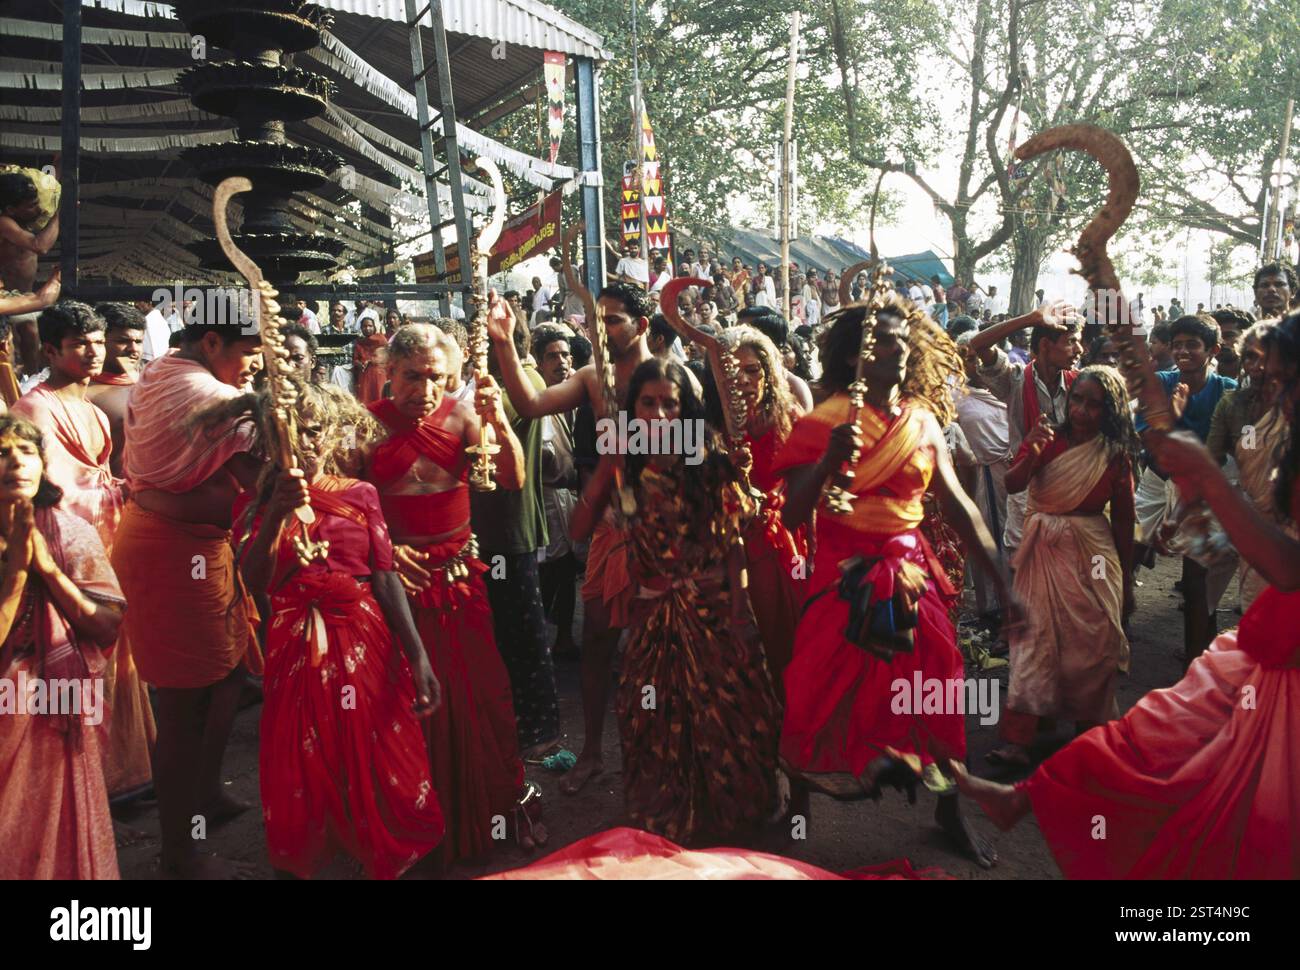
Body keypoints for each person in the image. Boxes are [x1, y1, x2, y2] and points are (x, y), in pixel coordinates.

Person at [954, 308, 1300, 879]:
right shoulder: (1045, 415)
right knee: (1163, 729)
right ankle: (1027, 795)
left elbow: (1285, 561)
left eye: (1286, 377)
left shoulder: (1127, 448)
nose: (1274, 388)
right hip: (1268, 637)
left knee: (1214, 771)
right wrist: (1192, 520)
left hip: (1281, 641)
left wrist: (1194, 498)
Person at [775, 292, 1014, 868]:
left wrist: (1006, 588)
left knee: (937, 692)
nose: (899, 350)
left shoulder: (924, 420)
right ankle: (799, 809)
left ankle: (949, 812)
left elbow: (961, 509)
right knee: (815, 690)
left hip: (911, 579)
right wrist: (830, 461)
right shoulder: (821, 421)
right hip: (840, 577)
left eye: (904, 340)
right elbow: (790, 514)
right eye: (886, 340)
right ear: (857, 353)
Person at [230, 382, 444, 878]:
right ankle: (317, 860)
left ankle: (384, 855)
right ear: (268, 440)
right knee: (305, 763)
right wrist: (277, 516)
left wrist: (418, 657)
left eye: (312, 432)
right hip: (294, 649)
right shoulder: (254, 506)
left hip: (365, 641)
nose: (304, 444)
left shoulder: (360, 493)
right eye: (289, 435)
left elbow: (386, 575)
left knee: (381, 755)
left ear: (328, 434)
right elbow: (253, 582)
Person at [572, 357, 780, 841]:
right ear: (632, 407)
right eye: (648, 403)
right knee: (651, 715)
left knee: (728, 718)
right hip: (651, 616)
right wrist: (607, 468)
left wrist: (739, 616)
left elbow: (731, 547)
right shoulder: (625, 462)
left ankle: (729, 829)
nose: (661, 415)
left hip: (713, 614)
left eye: (672, 404)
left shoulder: (709, 458)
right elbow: (579, 530)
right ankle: (667, 829)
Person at [365, 324, 543, 859]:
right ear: (388, 373)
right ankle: (414, 824)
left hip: (459, 577)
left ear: (452, 376)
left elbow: (512, 479)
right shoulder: (364, 428)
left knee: (479, 691)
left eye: (436, 378)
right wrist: (387, 554)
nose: (424, 389)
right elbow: (345, 506)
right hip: (394, 582)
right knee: (399, 701)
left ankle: (485, 809)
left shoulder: (466, 416)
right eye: (412, 377)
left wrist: (498, 424)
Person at [111, 294, 266, 878]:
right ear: (211, 343)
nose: (251, 366)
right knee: (182, 709)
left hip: (192, 550)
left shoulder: (164, 371)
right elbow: (262, 470)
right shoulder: (211, 395)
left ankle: (204, 794)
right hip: (172, 559)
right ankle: (178, 853)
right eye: (247, 354)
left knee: (229, 680)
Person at [487, 282, 654, 795]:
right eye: (596, 322)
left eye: (612, 321)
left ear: (642, 325)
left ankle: (661, 754)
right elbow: (531, 402)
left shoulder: (673, 378)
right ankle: (593, 754)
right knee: (599, 644)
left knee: (656, 651)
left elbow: (694, 459)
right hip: (610, 530)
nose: (601, 332)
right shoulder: (592, 378)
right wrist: (505, 343)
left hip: (663, 535)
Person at [13, 302, 155, 806]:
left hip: (107, 539)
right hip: (63, 548)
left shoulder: (95, 409)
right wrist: (112, 493)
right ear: (51, 350)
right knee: (85, 653)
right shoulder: (34, 408)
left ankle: (126, 772)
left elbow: (102, 474)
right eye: (79, 344)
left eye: (97, 341)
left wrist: (124, 489)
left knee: (120, 649)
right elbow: (47, 491)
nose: (94, 352)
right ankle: (90, 775)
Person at [987, 366, 1136, 768]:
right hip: (1043, 548)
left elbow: (1123, 517)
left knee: (1094, 637)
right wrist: (1032, 453)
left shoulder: (1115, 453)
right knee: (1035, 639)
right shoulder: (1046, 438)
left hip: (1094, 551)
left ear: (1110, 410)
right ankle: (1019, 737)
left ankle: (1089, 731)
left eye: (1095, 404)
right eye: (1078, 400)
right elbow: (1014, 485)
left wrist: (1127, 580)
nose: (1083, 411)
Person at [0, 415, 124, 879]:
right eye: (1, 452)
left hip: (59, 702)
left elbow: (108, 624)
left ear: (41, 463)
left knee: (59, 830)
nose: (15, 462)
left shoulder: (69, 533)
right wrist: (15, 573)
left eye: (25, 451)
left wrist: (49, 571)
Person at [472, 320, 560, 758]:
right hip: (482, 532)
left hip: (512, 530)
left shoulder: (527, 381)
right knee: (499, 632)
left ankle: (543, 728)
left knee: (526, 634)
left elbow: (496, 418)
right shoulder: (486, 383)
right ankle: (513, 722)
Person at [1135, 313, 1238, 663]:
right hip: (1157, 482)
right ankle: (1111, 650)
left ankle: (1197, 666)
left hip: (1202, 492)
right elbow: (1147, 440)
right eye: (1177, 344)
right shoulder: (1159, 382)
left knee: (1197, 582)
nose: (1182, 351)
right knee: (1125, 556)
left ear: (1213, 350)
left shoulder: (1228, 391)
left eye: (1192, 345)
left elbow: (1225, 452)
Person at [967, 303, 1082, 559]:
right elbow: (976, 345)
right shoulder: (1015, 380)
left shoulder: (1082, 384)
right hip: (1026, 490)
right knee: (1023, 564)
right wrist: (1030, 318)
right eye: (1071, 342)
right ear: (1045, 346)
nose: (1079, 350)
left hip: (1069, 490)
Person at [1207, 321, 1284, 610]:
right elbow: (1211, 457)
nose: (1257, 365)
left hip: (1290, 515)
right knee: (1255, 601)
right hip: (1249, 510)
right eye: (1250, 356)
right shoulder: (1232, 405)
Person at [953, 330, 1012, 625]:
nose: (973, 363)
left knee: (1014, 539)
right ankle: (993, 608)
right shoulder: (955, 394)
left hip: (1016, 471)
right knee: (990, 538)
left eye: (977, 357)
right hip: (983, 473)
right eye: (967, 358)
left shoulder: (1006, 384)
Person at [531, 325, 580, 659]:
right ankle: (542, 638)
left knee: (569, 567)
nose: (560, 362)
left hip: (575, 494)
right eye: (552, 357)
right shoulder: (534, 400)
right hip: (546, 497)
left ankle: (564, 637)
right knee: (549, 568)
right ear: (539, 362)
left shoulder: (581, 394)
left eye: (564, 355)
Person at [86, 303, 145, 479]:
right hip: (115, 493)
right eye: (122, 341)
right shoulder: (84, 394)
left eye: (138, 341)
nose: (133, 349)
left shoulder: (154, 380)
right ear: (100, 342)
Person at [352, 315, 388, 406]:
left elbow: (385, 357)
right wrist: (359, 364)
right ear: (361, 328)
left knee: (379, 394)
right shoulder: (359, 342)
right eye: (364, 326)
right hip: (364, 374)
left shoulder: (381, 340)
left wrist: (371, 360)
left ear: (374, 327)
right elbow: (355, 359)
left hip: (379, 373)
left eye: (370, 326)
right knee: (366, 397)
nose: (367, 328)